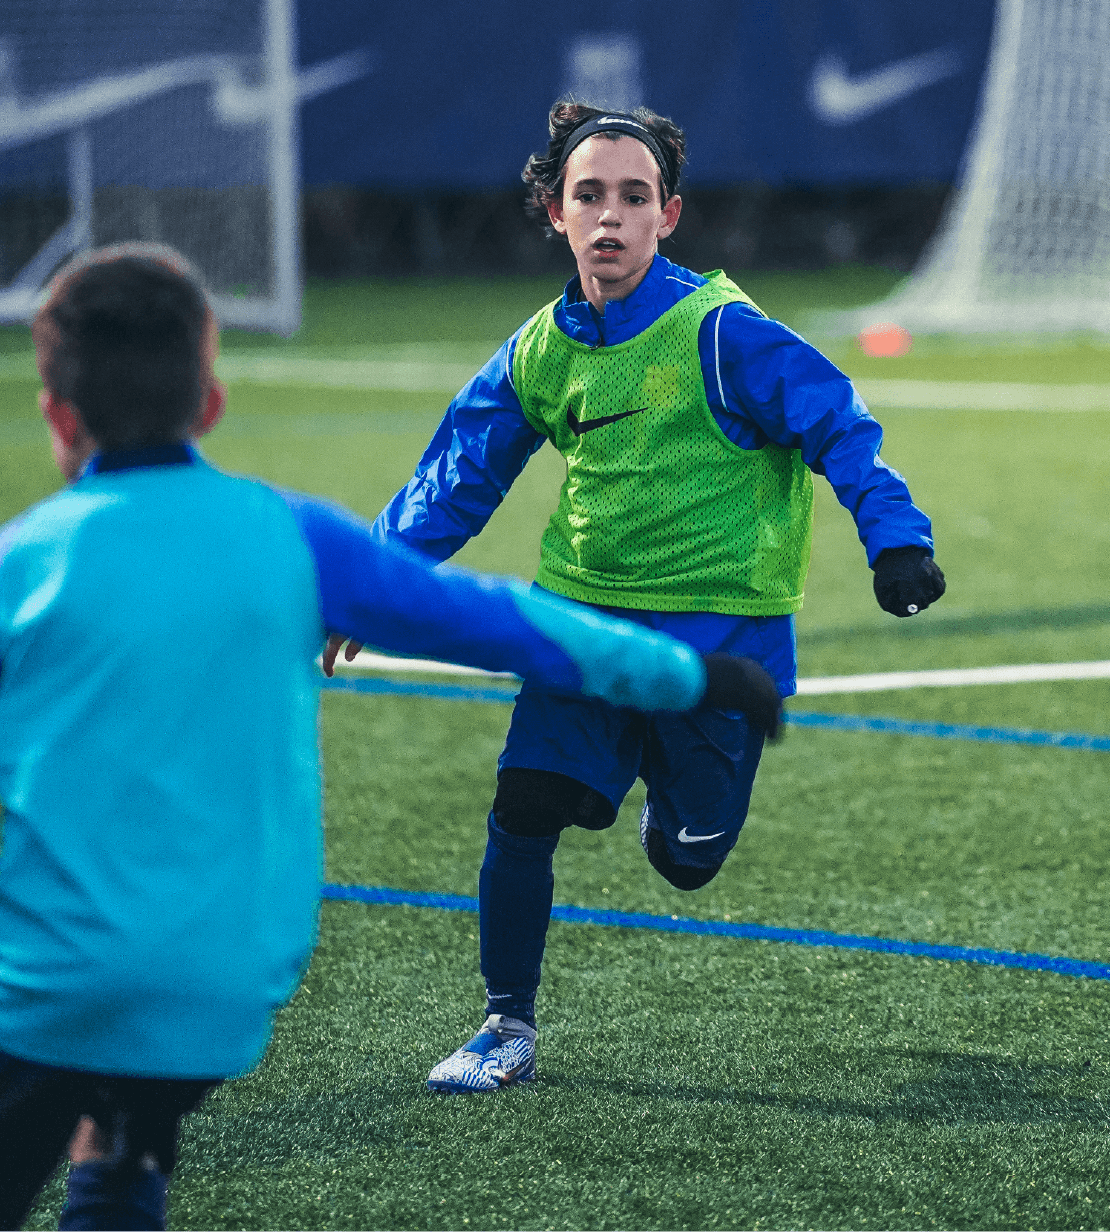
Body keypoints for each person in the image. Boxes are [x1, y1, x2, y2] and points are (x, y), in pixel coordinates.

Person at [0, 243, 783, 1231]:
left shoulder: (24, 564)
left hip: (51, 982)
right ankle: (119, 1162)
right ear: (210, 404)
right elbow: (507, 622)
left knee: (72, 1056)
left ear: (56, 415)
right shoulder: (297, 539)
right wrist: (696, 675)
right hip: (225, 981)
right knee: (121, 1136)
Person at [341, 102, 945, 1094]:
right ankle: (506, 1026)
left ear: (669, 213)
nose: (610, 218)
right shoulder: (541, 348)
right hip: (580, 621)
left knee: (689, 861)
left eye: (633, 197)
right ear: (555, 213)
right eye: (589, 196)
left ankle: (681, 816)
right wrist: (369, 586)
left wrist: (897, 540)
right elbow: (457, 476)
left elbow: (840, 420)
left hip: (719, 640)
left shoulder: (722, 334)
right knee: (524, 805)